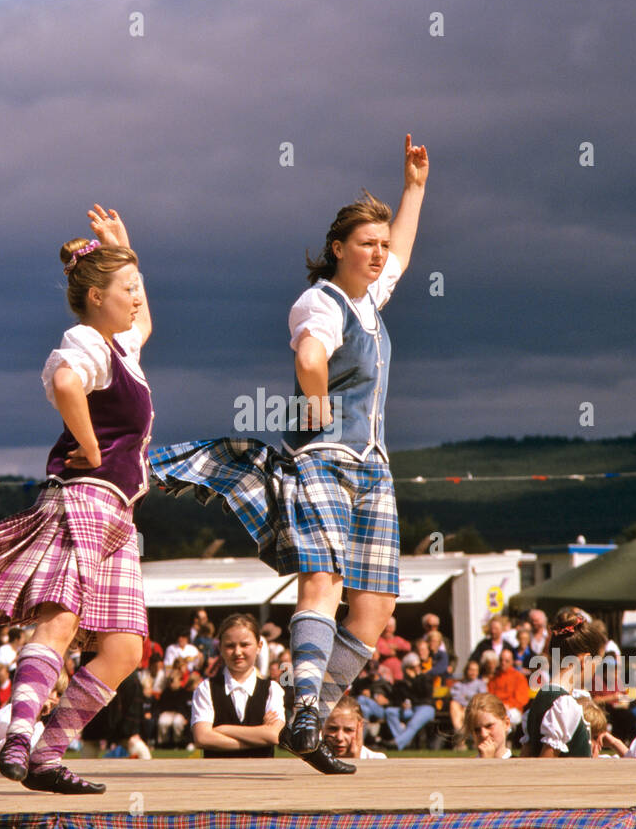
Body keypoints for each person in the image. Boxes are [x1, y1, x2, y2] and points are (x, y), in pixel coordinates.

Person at [149, 136, 429, 774]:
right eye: (367, 243)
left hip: (373, 465)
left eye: (381, 244)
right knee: (322, 581)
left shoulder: (370, 298)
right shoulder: (321, 302)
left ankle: (308, 715)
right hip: (323, 458)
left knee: (376, 609)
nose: (380, 252)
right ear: (338, 249)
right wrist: (317, 398)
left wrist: (413, 186)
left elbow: (406, 255)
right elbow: (309, 355)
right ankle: (304, 708)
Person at [0, 206, 153, 794]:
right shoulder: (86, 340)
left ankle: (45, 750)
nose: (137, 298)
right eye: (127, 290)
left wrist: (126, 250)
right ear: (93, 296)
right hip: (83, 497)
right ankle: (19, 736)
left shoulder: (121, 349)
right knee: (61, 620)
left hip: (116, 511)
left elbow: (144, 326)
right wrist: (88, 443)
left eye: (137, 289)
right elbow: (64, 382)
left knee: (125, 648)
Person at [191, 614, 286, 758]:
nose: (237, 652)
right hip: (214, 777)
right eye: (230, 646)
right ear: (220, 648)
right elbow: (202, 738)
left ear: (259, 646)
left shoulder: (272, 689)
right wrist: (259, 737)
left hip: (261, 777)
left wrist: (223, 729)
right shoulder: (206, 688)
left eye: (244, 644)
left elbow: (273, 735)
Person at [519, 607, 606, 757]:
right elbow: (543, 768)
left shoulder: (543, 696)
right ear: (585, 660)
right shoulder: (564, 704)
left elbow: (525, 757)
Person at [461, 692, 512, 759]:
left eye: (489, 726)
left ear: (506, 724)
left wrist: (487, 762)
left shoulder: (520, 765)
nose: (483, 734)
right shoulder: (467, 767)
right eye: (477, 730)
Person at [448, 659, 487, 733]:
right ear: (466, 670)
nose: (473, 672)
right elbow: (455, 697)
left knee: (464, 711)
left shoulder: (481, 684)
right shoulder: (459, 684)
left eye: (475, 670)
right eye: (471, 670)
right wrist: (468, 699)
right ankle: (459, 732)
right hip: (460, 709)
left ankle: (460, 736)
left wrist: (465, 700)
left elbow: (481, 699)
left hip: (474, 709)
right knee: (453, 704)